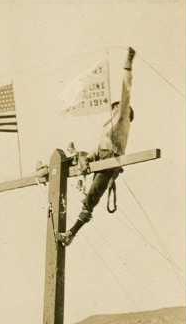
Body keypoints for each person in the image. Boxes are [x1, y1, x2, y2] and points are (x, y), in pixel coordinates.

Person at [57, 46, 136, 247]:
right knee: (89, 192)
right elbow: (96, 150)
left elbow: (126, 92)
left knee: (90, 200)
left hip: (110, 161)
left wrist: (127, 66)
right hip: (102, 158)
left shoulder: (122, 121)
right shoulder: (108, 128)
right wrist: (81, 156)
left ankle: (71, 234)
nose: (113, 109)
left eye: (116, 107)